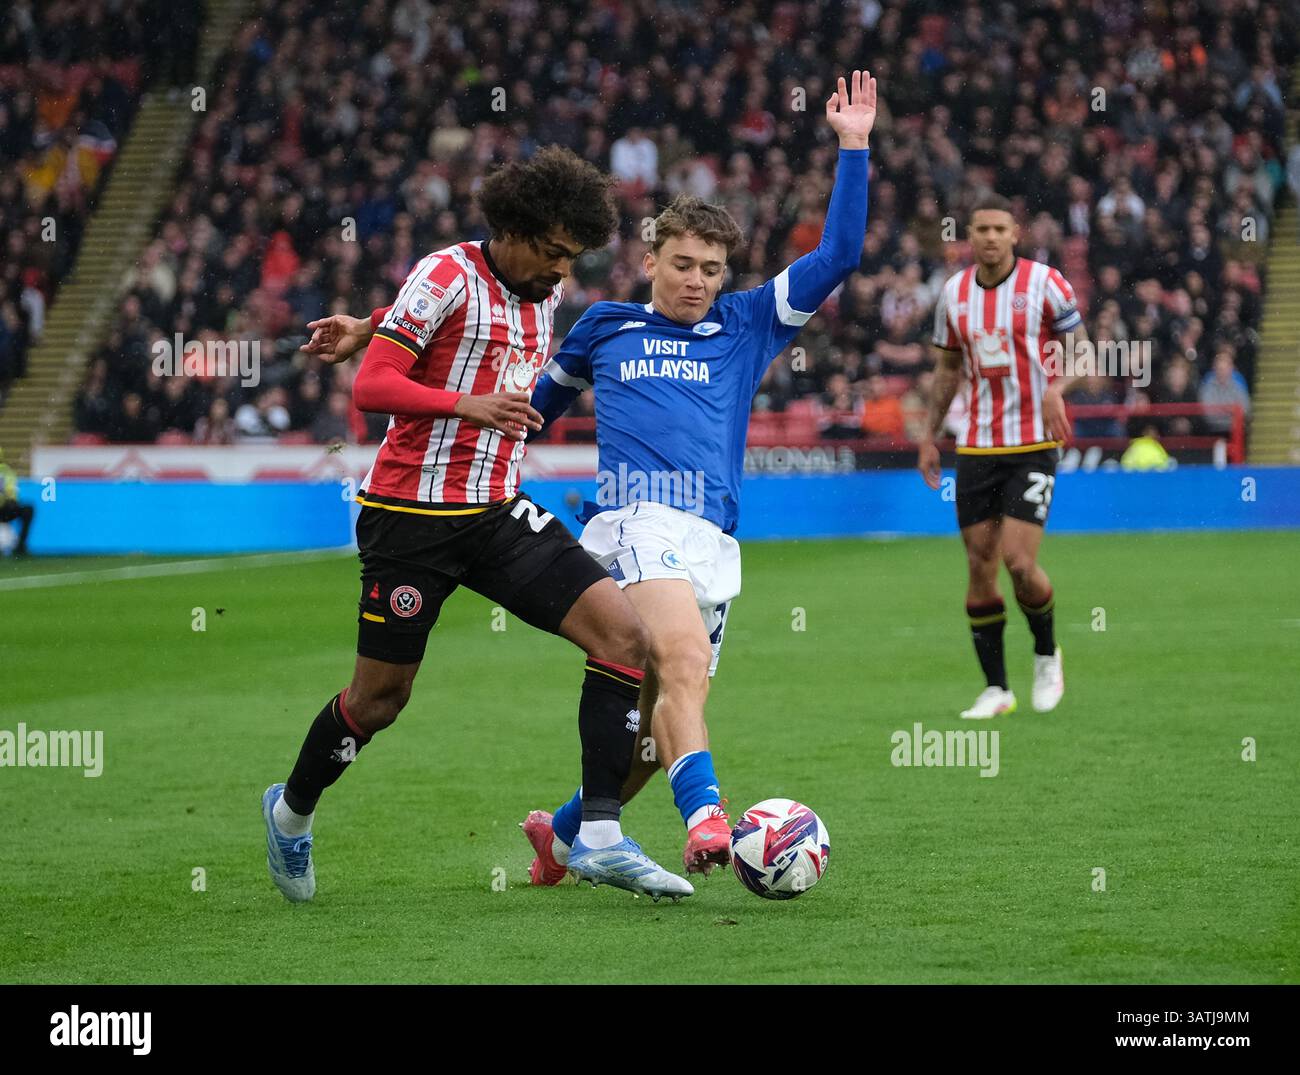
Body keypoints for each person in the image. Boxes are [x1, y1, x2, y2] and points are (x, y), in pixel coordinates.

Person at [264, 146, 693, 903]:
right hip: (410, 519)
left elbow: (460, 338)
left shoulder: (541, 289)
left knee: (624, 637)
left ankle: (597, 833)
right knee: (378, 701)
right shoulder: (445, 271)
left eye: (573, 256)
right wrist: (457, 397)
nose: (563, 269)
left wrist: (373, 323)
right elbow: (371, 387)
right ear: (516, 227)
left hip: (495, 509)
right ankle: (291, 814)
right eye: (555, 252)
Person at [520, 71, 875, 880]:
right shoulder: (603, 326)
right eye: (682, 264)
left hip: (712, 539)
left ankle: (566, 834)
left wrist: (853, 145)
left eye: (712, 268)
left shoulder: (746, 324)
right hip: (636, 522)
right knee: (680, 663)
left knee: (655, 730)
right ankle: (708, 820)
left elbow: (840, 254)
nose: (697, 281)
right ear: (651, 258)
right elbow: (534, 412)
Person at [917, 193, 1089, 719]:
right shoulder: (953, 294)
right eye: (980, 229)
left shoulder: (1046, 283)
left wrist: (1058, 387)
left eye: (999, 229)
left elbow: (1082, 351)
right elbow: (947, 371)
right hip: (975, 445)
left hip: (1034, 443)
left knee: (1018, 561)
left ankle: (1045, 653)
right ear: (969, 235)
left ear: (1016, 233)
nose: (990, 237)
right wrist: (928, 435)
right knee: (978, 565)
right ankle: (997, 689)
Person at [0, 448, 34, 556]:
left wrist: (11, 499)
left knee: (27, 509)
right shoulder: (6, 471)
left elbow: (11, 490)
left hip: (3, 508)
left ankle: (21, 545)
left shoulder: (5, 471)